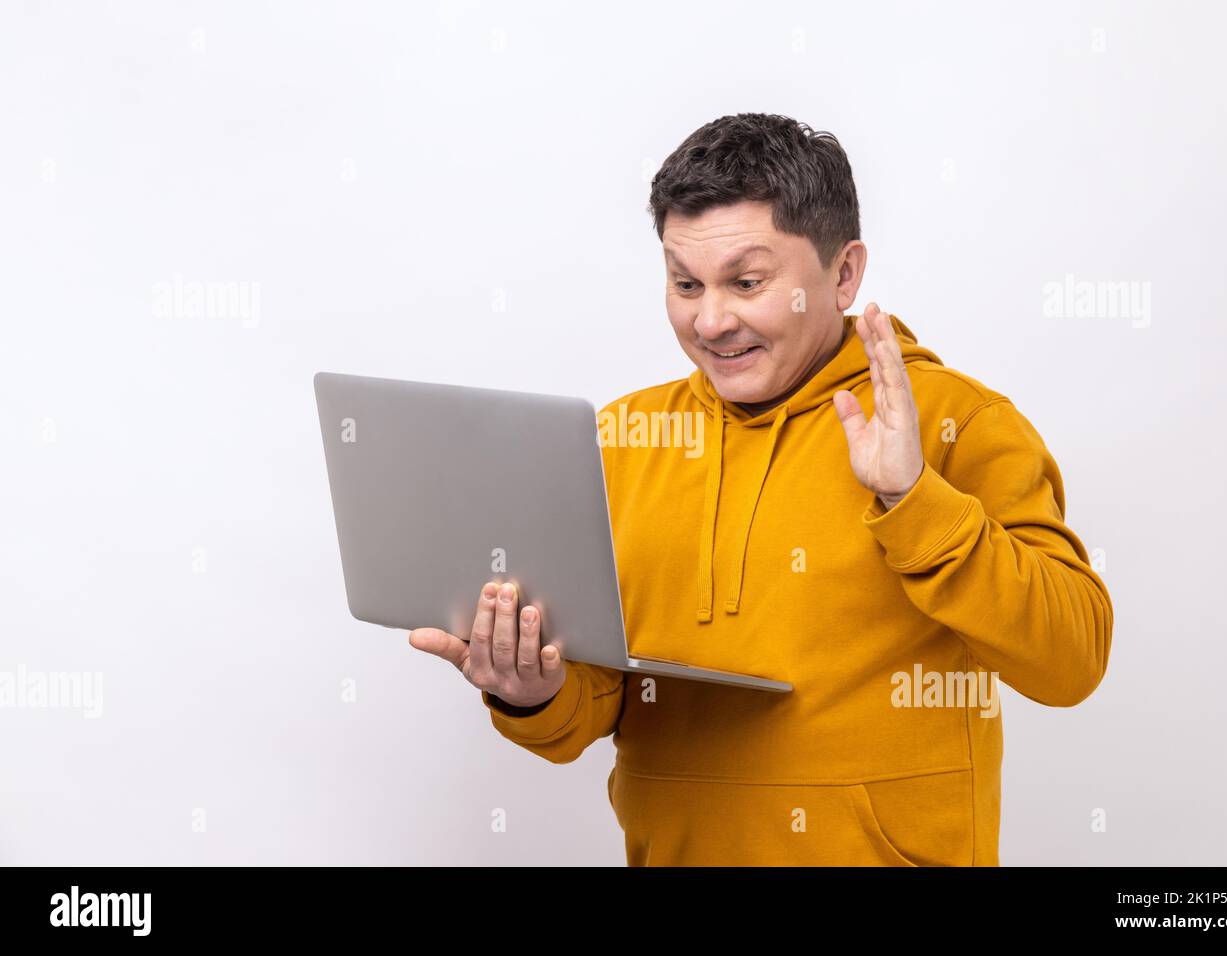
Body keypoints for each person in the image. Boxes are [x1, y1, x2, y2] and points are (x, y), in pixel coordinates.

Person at [409, 112, 1114, 866]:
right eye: (685, 283)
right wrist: (531, 691)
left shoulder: (953, 423)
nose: (710, 321)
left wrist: (915, 501)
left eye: (747, 282)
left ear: (843, 274)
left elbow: (1071, 660)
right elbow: (596, 707)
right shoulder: (623, 438)